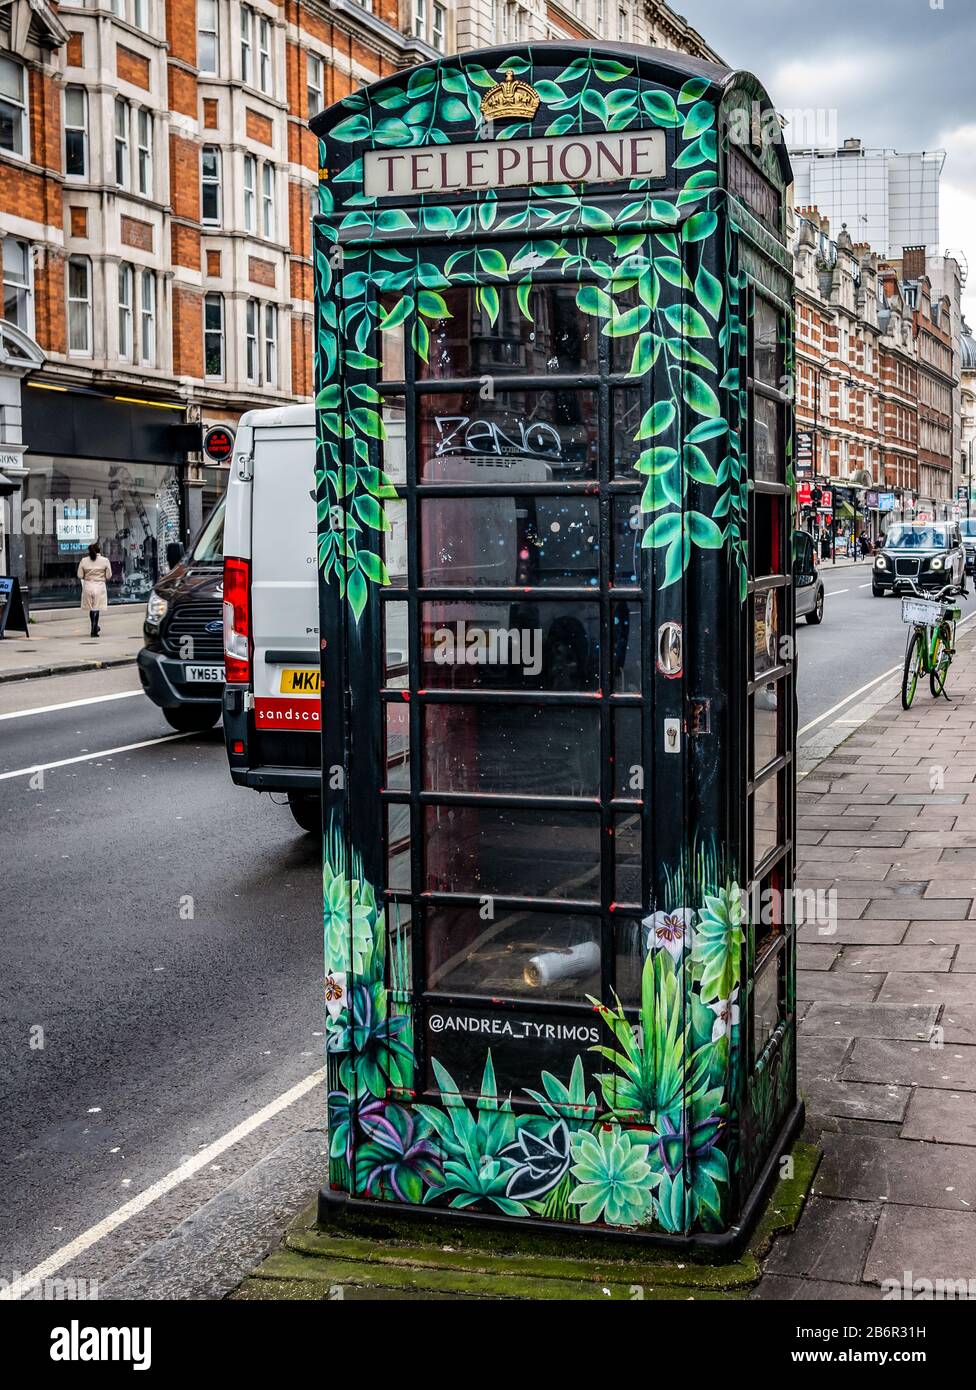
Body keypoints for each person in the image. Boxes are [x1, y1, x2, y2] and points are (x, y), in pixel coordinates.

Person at [77, 541, 112, 637]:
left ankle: (94, 627)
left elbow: (80, 575)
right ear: (99, 550)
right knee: (96, 608)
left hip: (88, 585)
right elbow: (108, 576)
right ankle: (94, 629)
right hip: (99, 586)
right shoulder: (105, 561)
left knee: (91, 608)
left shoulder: (84, 560)